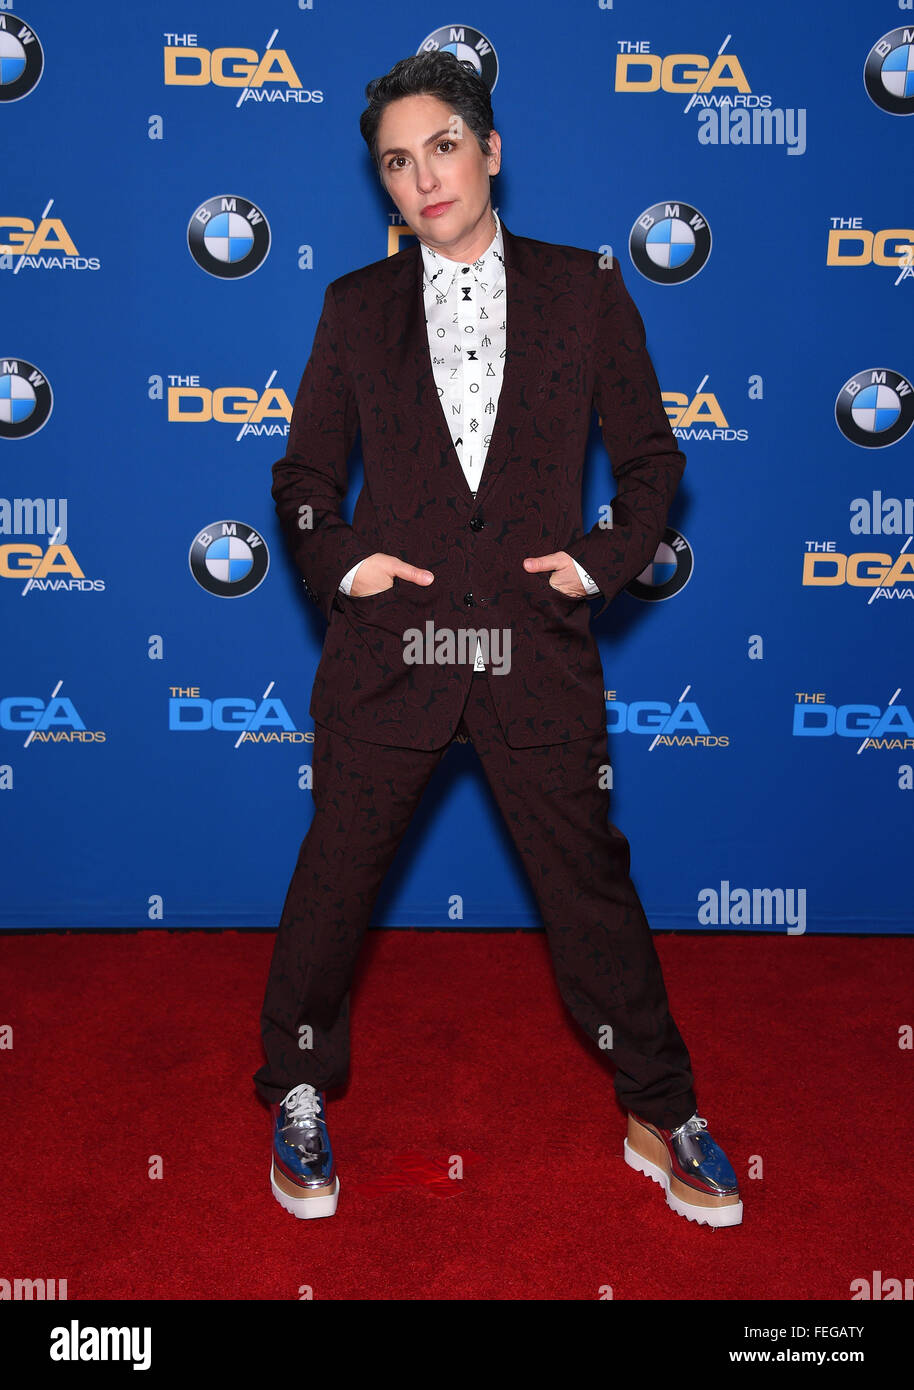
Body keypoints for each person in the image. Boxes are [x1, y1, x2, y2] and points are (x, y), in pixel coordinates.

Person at [254, 51, 742, 1229]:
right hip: (392, 654)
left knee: (590, 896)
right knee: (331, 887)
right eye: (394, 162)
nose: (420, 178)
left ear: (489, 151)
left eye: (440, 148)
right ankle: (300, 1088)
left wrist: (596, 559)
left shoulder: (583, 288)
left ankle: (657, 1106)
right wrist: (340, 559)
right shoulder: (352, 308)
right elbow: (305, 474)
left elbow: (651, 460)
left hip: (534, 652)